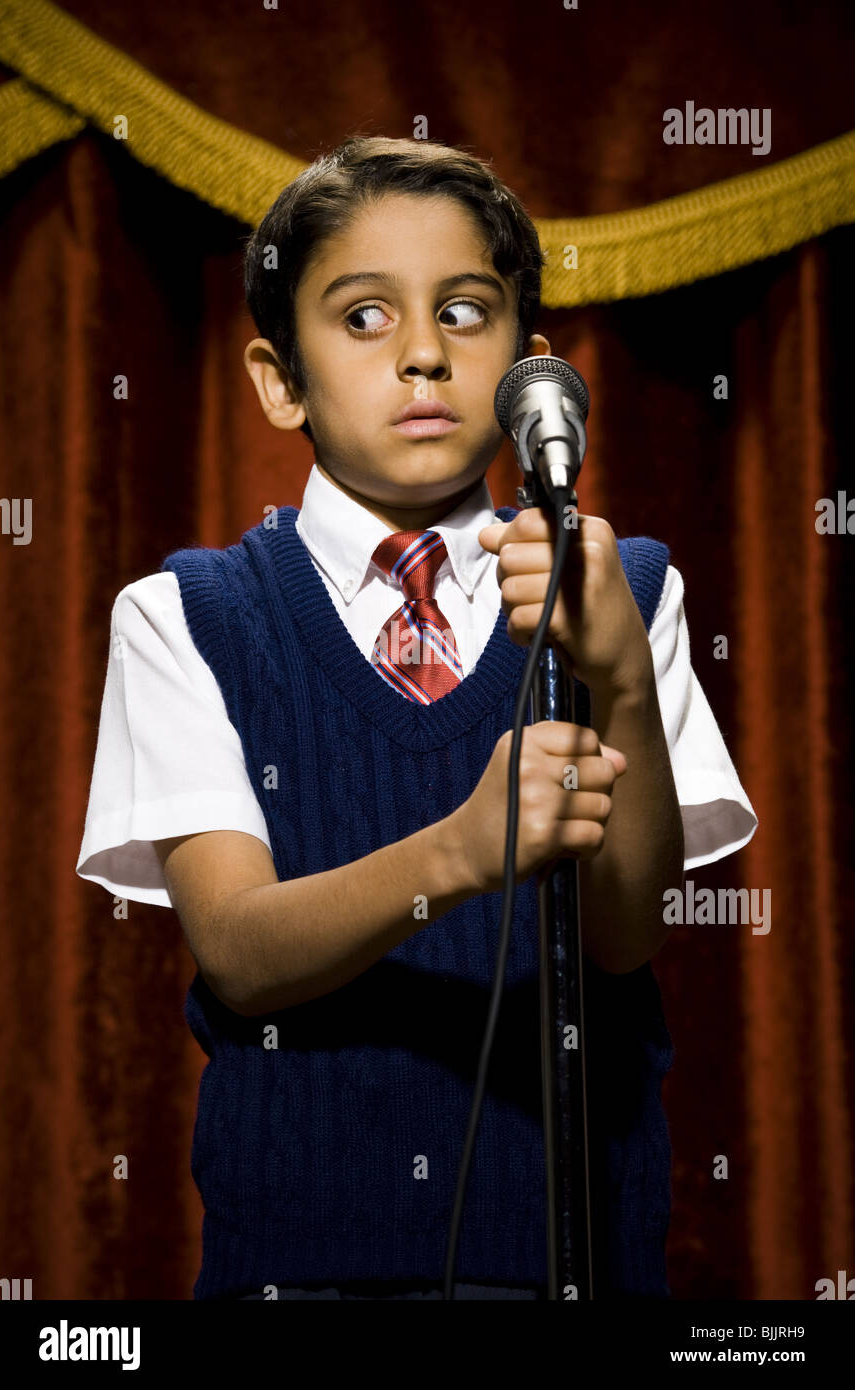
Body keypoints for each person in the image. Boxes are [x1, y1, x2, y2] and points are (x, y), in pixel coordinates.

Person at [76, 135, 757, 1301]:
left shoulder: (624, 584)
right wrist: (459, 848)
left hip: (568, 1260)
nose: (425, 355)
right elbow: (238, 955)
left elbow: (624, 934)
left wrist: (621, 686)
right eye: (362, 318)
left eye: (463, 311)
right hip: (301, 1270)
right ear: (277, 377)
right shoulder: (187, 613)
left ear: (528, 372)